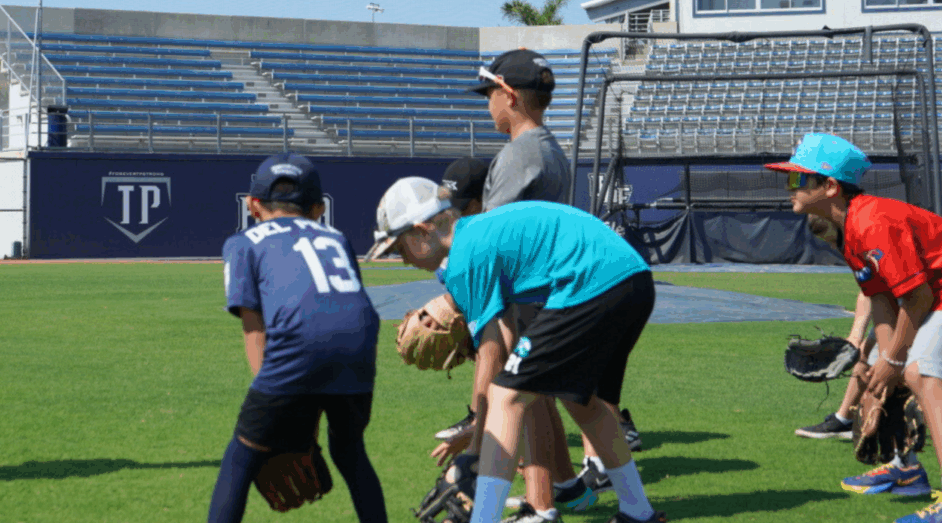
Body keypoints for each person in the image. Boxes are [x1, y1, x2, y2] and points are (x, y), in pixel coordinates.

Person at [370, 177, 664, 523]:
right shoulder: (477, 234)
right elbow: (508, 340)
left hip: (591, 282)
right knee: (578, 399)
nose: (401, 259)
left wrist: (473, 457)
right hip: (631, 279)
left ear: (422, 232)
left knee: (506, 397)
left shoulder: (464, 257)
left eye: (399, 247)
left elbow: (491, 356)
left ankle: (484, 518)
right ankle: (638, 512)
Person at [766, 133, 942, 523]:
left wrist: (894, 359)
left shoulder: (873, 221)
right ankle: (905, 468)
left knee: (922, 370)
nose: (788, 187)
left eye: (797, 179)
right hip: (930, 290)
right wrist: (880, 365)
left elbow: (917, 298)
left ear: (830, 187)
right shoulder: (847, 228)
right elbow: (881, 301)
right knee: (879, 371)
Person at [207, 153, 386, 523]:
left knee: (242, 453)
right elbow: (344, 307)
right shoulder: (337, 237)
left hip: (298, 346)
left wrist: (274, 411)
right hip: (360, 345)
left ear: (253, 205)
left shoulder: (243, 242)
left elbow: (254, 328)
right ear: (319, 208)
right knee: (350, 450)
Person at [795, 219, 942, 465]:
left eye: (831, 238)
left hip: (941, 290)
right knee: (869, 354)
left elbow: (890, 290)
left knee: (940, 362)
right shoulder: (860, 240)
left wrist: (859, 336)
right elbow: (870, 291)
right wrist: (856, 337)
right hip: (914, 295)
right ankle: (843, 419)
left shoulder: (874, 235)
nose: (832, 245)